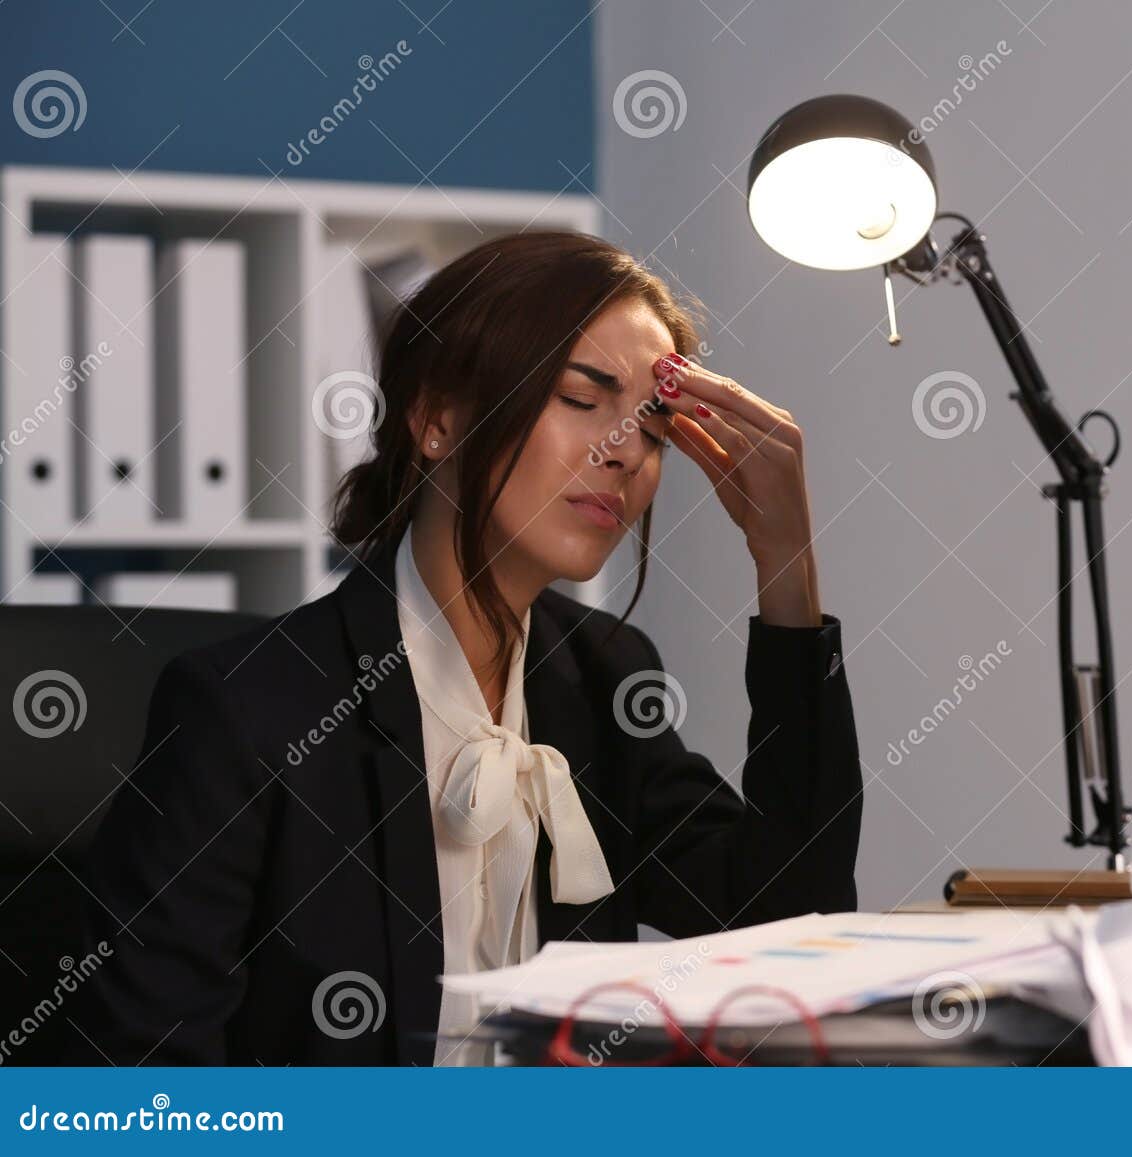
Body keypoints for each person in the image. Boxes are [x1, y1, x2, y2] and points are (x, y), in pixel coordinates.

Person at [77, 230, 863, 1065]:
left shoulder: (604, 679)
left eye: (656, 428)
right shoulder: (247, 708)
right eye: (581, 397)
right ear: (439, 419)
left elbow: (791, 917)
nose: (625, 449)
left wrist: (786, 568)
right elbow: (145, 1084)